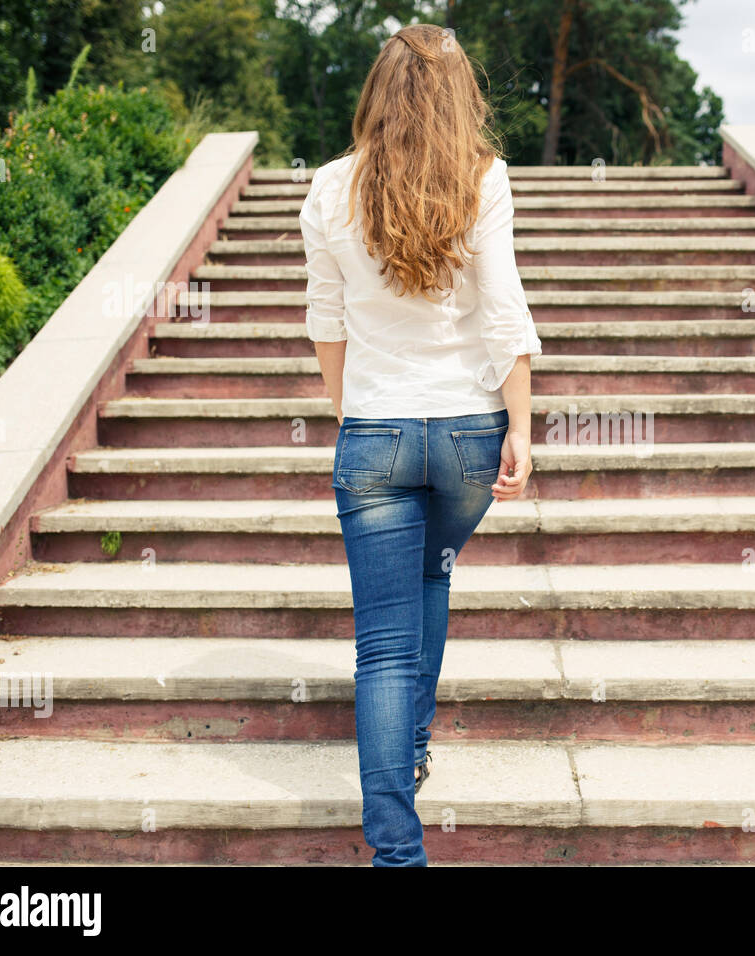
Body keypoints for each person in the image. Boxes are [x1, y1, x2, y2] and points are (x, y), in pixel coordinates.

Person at [299, 22, 541, 867]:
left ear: (377, 91)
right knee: (434, 573)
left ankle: (397, 853)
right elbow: (504, 308)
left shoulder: (329, 188)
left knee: (384, 645)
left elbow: (327, 326)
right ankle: (415, 747)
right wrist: (523, 425)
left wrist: (350, 410)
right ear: (458, 95)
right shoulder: (485, 179)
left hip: (375, 436)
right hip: (471, 431)